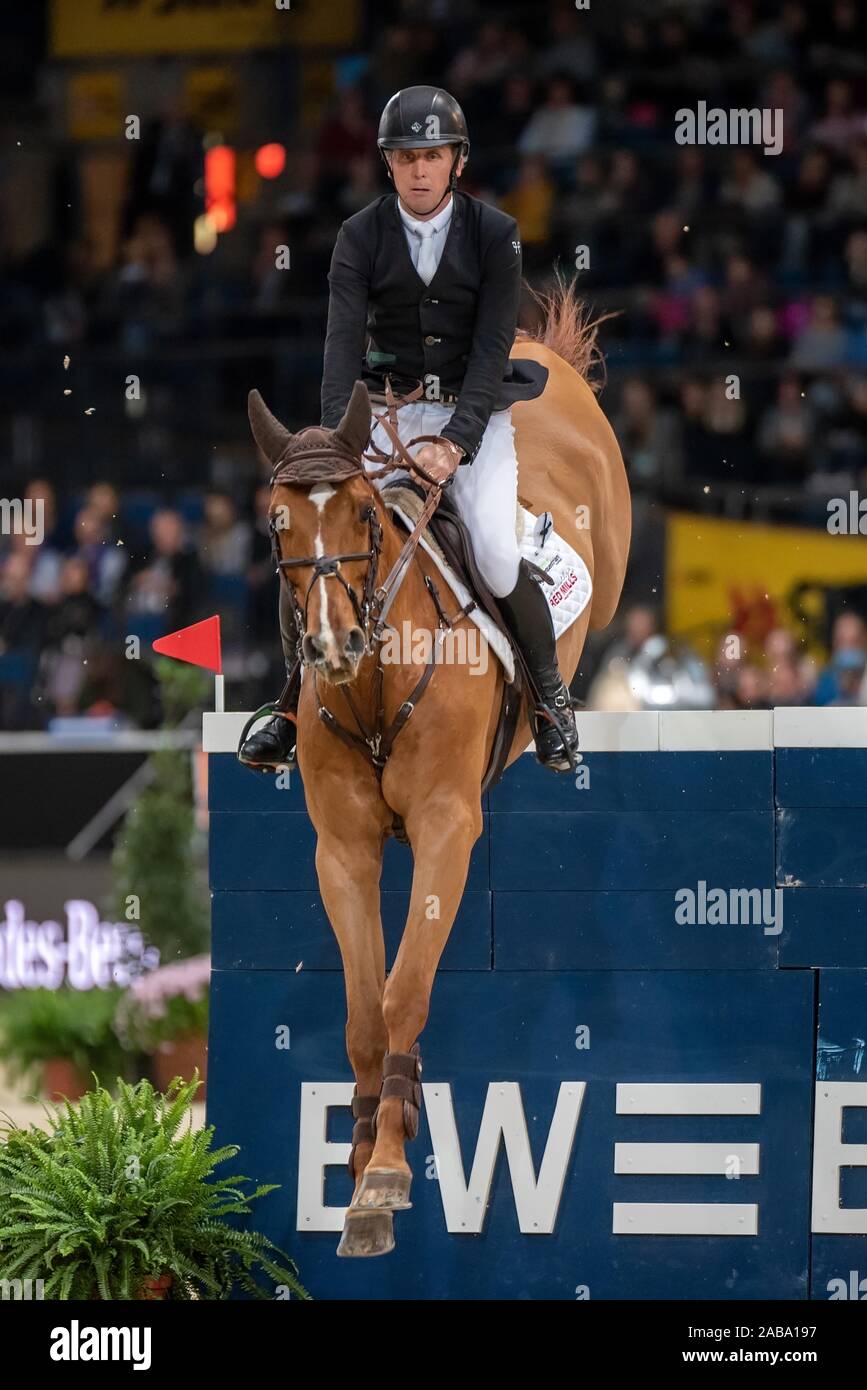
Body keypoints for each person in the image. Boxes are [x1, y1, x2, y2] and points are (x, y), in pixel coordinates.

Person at [239, 84, 580, 774]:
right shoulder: (358, 236)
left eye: (432, 155)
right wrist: (337, 446)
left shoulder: (495, 235)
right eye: (405, 157)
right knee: (318, 530)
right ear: (387, 164)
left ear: (457, 161)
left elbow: (490, 351)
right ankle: (286, 700)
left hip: (472, 414)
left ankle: (550, 701)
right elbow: (340, 348)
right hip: (383, 414)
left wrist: (455, 443)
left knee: (490, 548)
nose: (419, 170)